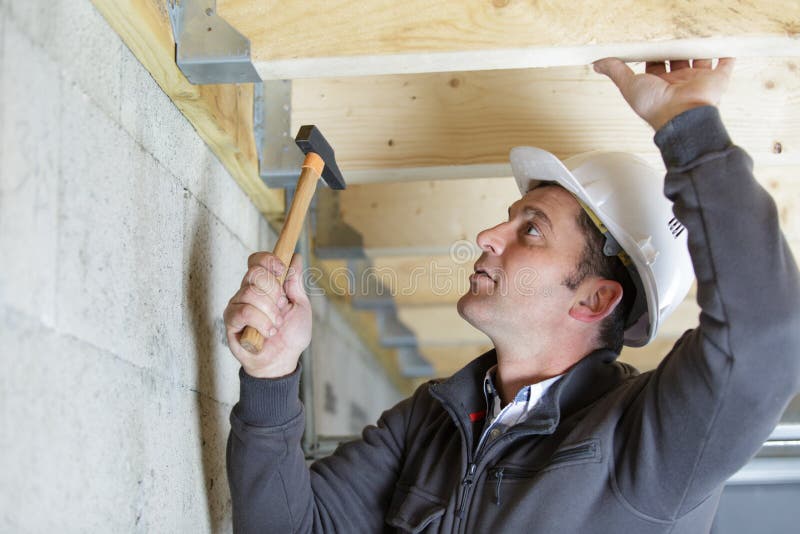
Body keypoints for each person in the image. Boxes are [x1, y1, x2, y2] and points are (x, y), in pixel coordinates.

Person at [222, 57, 800, 533]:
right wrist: (273, 378)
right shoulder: (434, 419)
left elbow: (764, 342)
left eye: (530, 229)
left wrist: (689, 125)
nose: (486, 237)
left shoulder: (647, 444)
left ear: (595, 300)